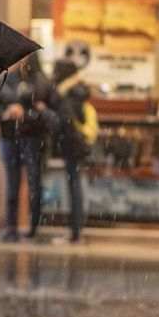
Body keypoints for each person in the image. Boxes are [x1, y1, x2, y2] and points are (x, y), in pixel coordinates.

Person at [0, 58, 52, 242]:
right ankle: (11, 227)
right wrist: (6, 113)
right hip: (10, 136)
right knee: (12, 184)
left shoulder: (41, 81)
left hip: (32, 138)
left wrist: (26, 114)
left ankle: (34, 227)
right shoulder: (7, 80)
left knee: (34, 183)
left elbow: (47, 114)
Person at [57, 82, 98, 242]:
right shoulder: (85, 105)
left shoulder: (67, 102)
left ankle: (75, 231)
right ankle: (77, 228)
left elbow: (67, 126)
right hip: (80, 149)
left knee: (74, 187)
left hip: (72, 149)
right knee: (77, 186)